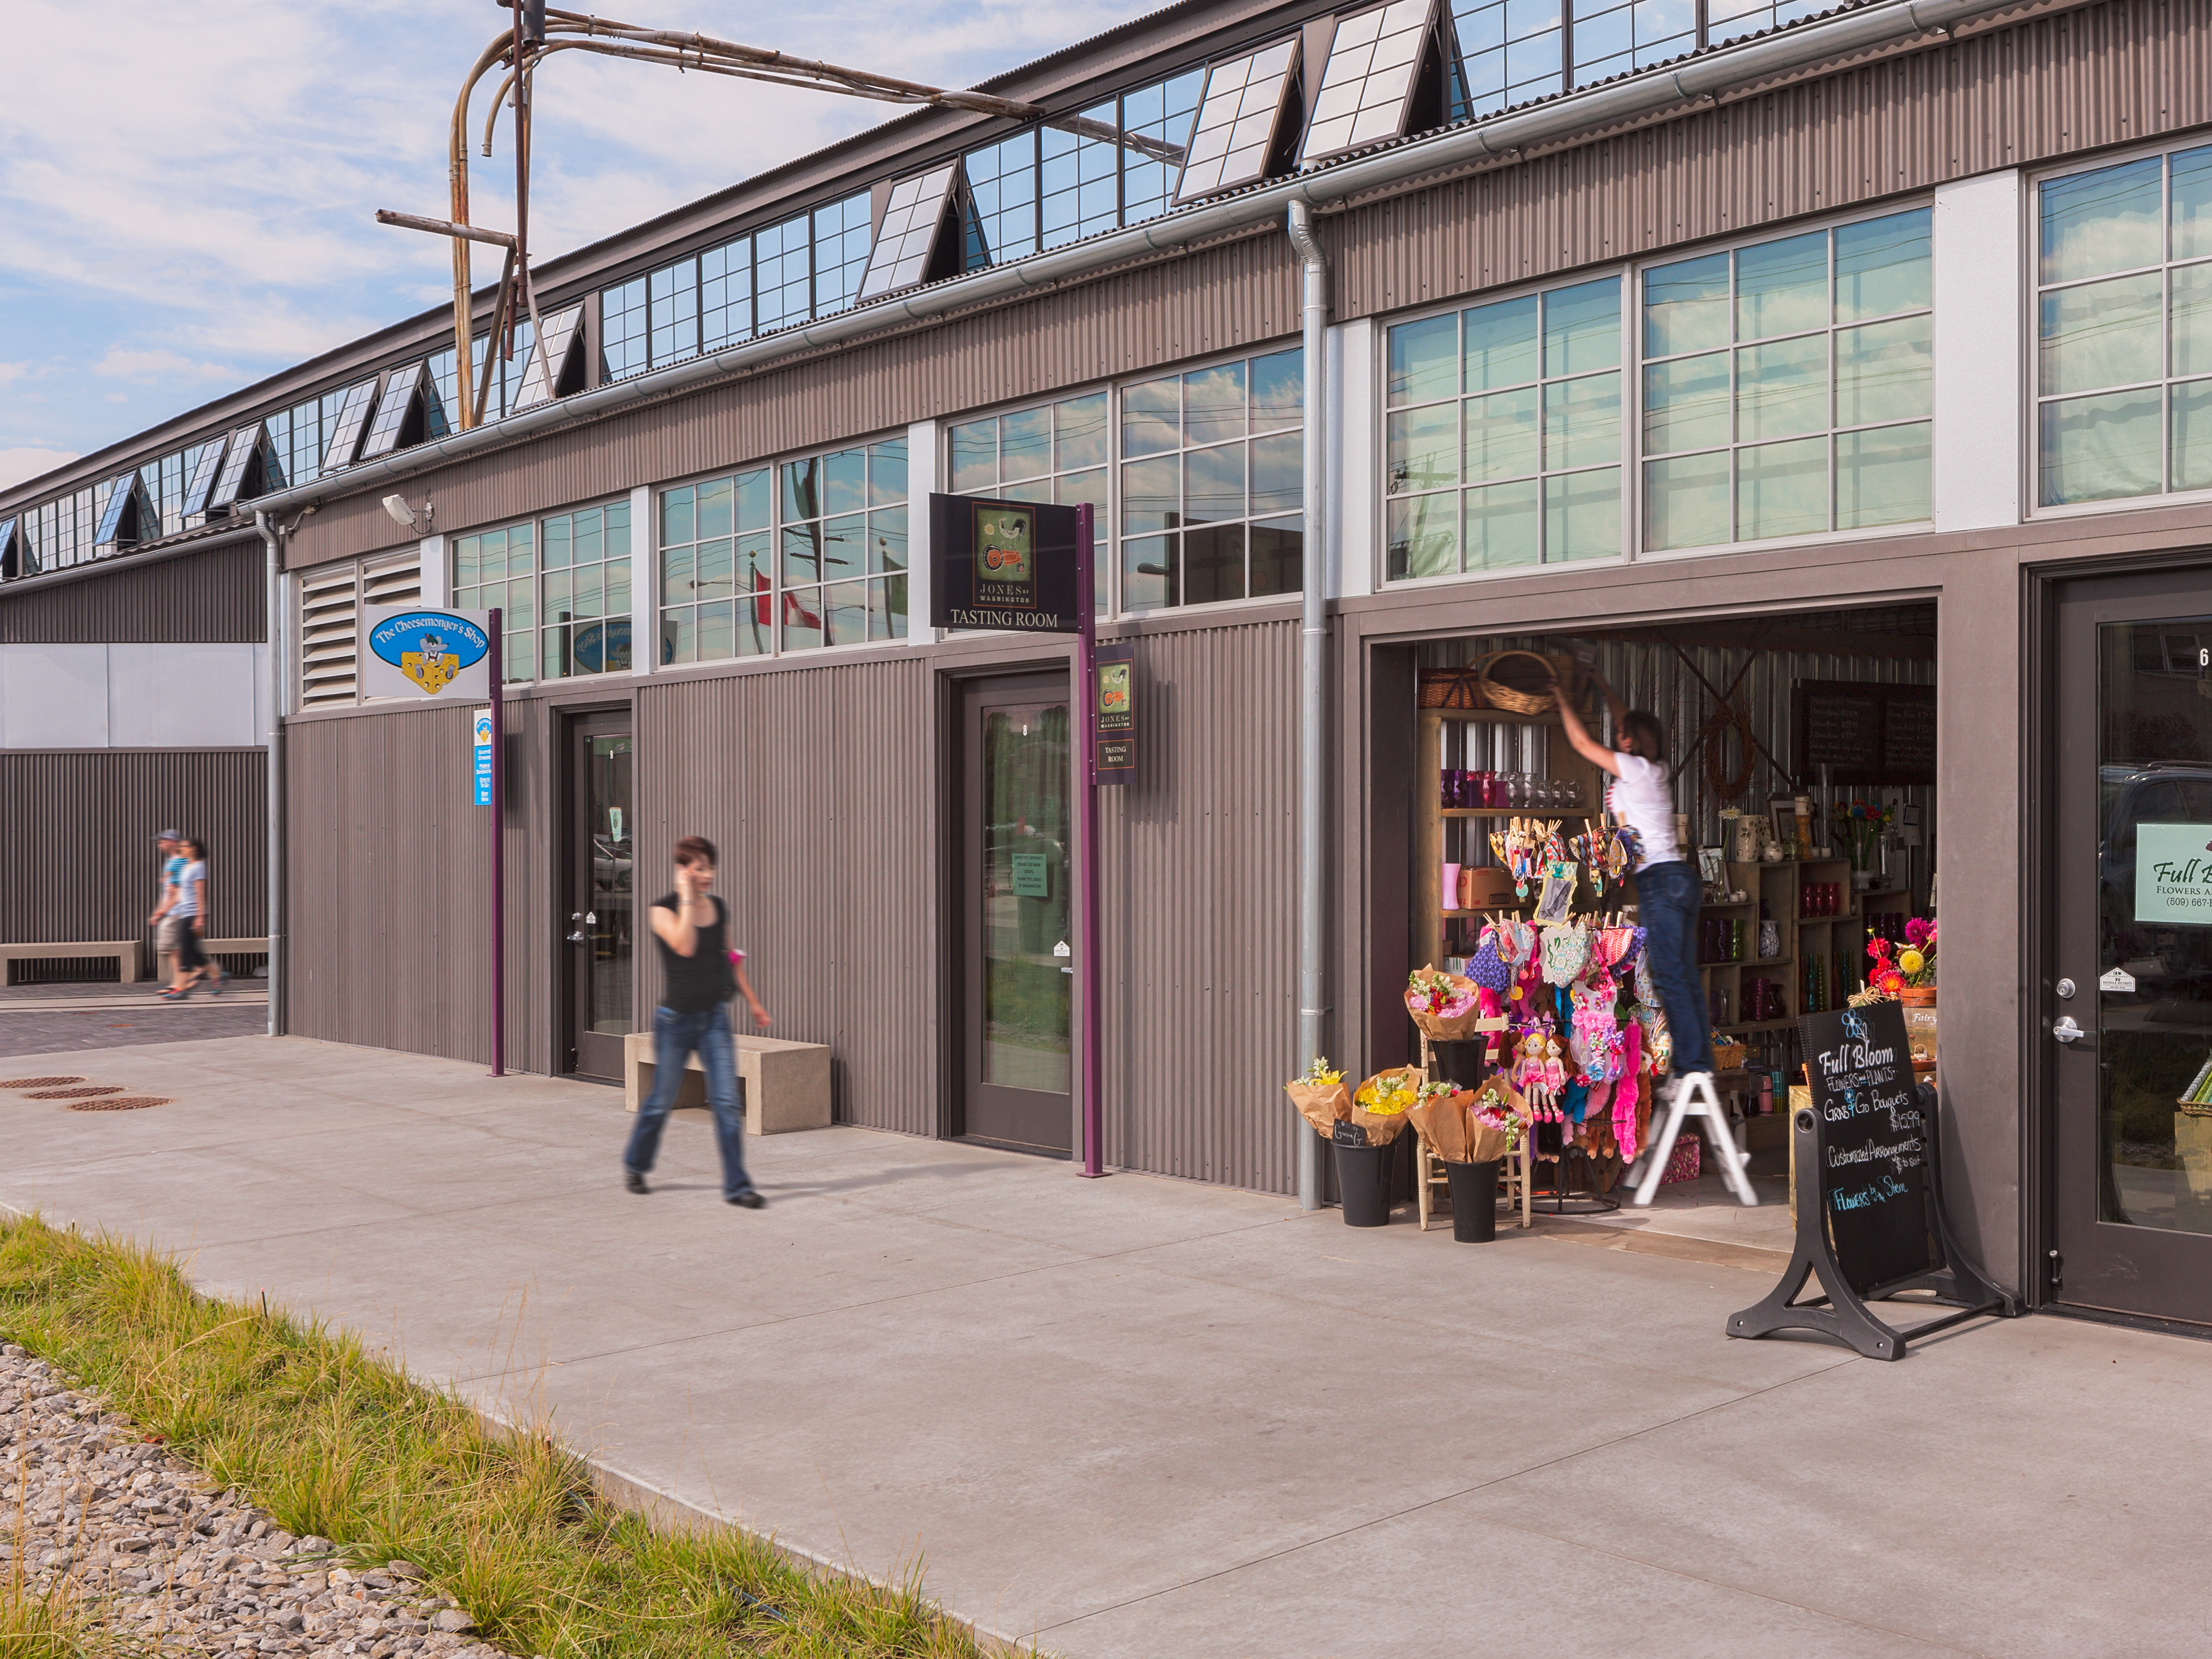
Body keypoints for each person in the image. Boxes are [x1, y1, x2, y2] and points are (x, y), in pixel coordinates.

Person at [1554, 678, 1716, 1099]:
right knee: (1681, 976)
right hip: (1676, 879)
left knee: (1669, 975)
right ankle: (1700, 1066)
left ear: (1635, 741)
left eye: (1624, 735)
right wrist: (1607, 690)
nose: (1618, 736)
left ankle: (1691, 1069)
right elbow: (1628, 723)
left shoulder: (1637, 769)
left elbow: (1583, 744)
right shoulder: (1653, 769)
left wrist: (1561, 696)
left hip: (1661, 882)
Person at [622, 835, 772, 1207]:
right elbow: (685, 946)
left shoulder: (719, 908)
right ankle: (636, 1163)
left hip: (714, 1022)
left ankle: (738, 1187)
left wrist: (754, 1004)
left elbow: (731, 962)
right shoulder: (661, 911)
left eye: (711, 866)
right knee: (661, 1099)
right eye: (700, 867)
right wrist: (686, 897)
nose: (709, 874)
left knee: (724, 1100)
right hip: (675, 1023)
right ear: (682, 870)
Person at [158, 836, 224, 1000]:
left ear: (193, 849)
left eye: (185, 847)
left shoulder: (199, 867)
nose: (182, 849)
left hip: (193, 914)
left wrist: (200, 918)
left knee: (185, 952)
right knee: (193, 952)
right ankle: (217, 975)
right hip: (184, 913)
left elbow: (201, 894)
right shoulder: (187, 866)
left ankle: (181, 989)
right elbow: (180, 891)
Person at [146, 829, 186, 984]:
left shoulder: (179, 861)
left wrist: (162, 912)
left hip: (177, 911)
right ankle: (181, 983)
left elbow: (178, 890)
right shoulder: (173, 861)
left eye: (163, 841)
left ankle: (181, 983)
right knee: (175, 949)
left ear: (172, 842)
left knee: (173, 949)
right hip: (174, 911)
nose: (160, 845)